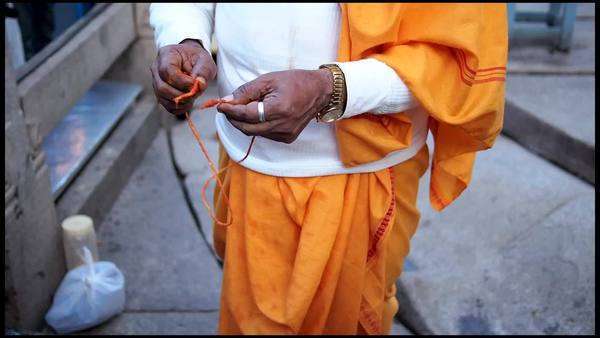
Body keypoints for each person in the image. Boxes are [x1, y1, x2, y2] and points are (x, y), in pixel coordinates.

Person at [149, 4, 507, 335]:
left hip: (365, 173)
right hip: (245, 163)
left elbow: (453, 59)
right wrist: (183, 36)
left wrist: (332, 89)